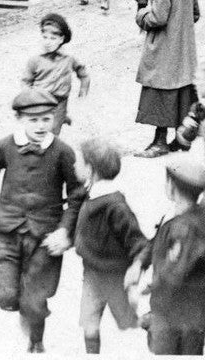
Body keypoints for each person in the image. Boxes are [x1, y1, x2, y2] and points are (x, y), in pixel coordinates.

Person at [0, 89, 85, 354]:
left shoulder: (63, 151)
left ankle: (36, 343)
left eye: (46, 119)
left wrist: (65, 231)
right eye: (33, 120)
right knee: (7, 296)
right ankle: (24, 309)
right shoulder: (6, 145)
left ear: (55, 119)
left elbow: (77, 194)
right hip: (5, 232)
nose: (41, 126)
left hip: (45, 237)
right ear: (19, 119)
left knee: (35, 300)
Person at [129, 155, 205, 355]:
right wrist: (140, 263)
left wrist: (145, 290)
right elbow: (155, 241)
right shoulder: (189, 218)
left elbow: (176, 272)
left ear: (171, 186)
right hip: (196, 310)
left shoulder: (182, 228)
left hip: (173, 315)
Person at [72, 137, 148, 355]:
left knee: (131, 321)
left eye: (79, 162)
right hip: (92, 272)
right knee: (89, 321)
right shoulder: (90, 193)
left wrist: (137, 266)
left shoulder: (116, 207)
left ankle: (160, 331)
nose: (74, 166)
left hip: (115, 275)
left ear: (91, 169)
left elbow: (139, 243)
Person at [134, 0, 200, 158]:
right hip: (183, 49)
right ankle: (180, 140)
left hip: (164, 48)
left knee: (160, 91)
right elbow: (196, 14)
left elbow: (157, 18)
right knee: (180, 90)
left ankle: (160, 142)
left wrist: (141, 14)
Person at [20, 13, 89, 134]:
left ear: (61, 39)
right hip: (40, 102)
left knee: (52, 135)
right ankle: (61, 119)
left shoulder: (69, 59)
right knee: (37, 131)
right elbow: (26, 81)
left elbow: (83, 74)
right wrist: (29, 97)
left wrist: (83, 92)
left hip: (59, 103)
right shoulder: (35, 60)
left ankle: (60, 118)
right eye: (45, 37)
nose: (48, 42)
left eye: (53, 39)